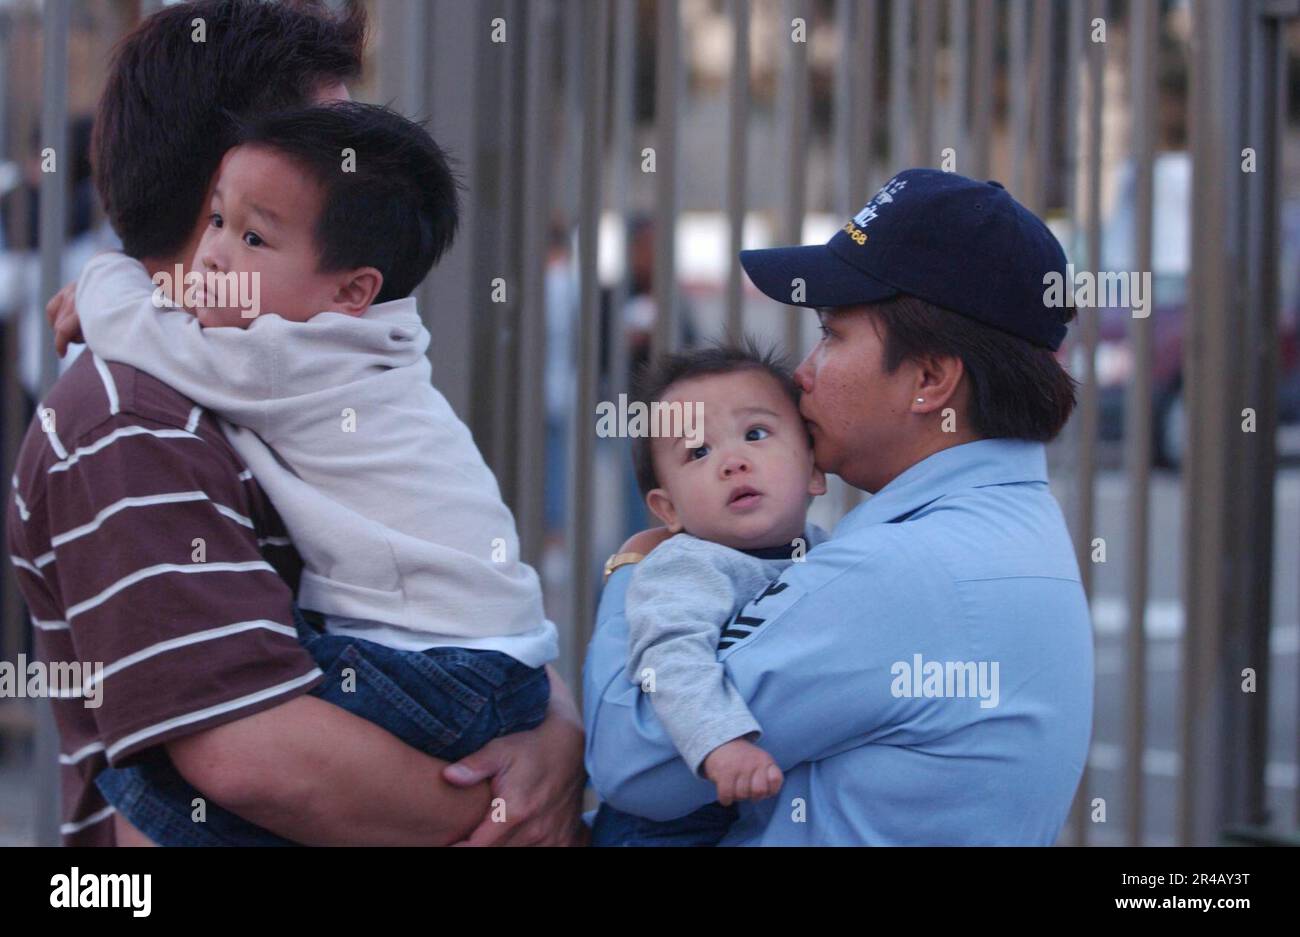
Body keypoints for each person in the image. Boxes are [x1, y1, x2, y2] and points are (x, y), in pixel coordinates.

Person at [12, 0, 584, 847]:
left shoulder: (291, 354)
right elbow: (248, 749)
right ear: (232, 175)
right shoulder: (132, 413)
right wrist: (524, 809)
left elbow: (449, 603)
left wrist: (556, 736)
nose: (363, 176)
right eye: (336, 147)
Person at [583, 168, 1094, 845]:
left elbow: (634, 761)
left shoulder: (896, 573)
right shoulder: (1008, 526)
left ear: (930, 379)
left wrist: (636, 568)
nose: (804, 371)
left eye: (832, 334)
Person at [589, 342, 828, 846]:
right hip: (664, 826)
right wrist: (722, 744)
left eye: (756, 433)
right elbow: (670, 657)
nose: (733, 462)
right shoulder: (687, 565)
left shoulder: (831, 553)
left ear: (812, 468)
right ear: (667, 509)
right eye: (699, 452)